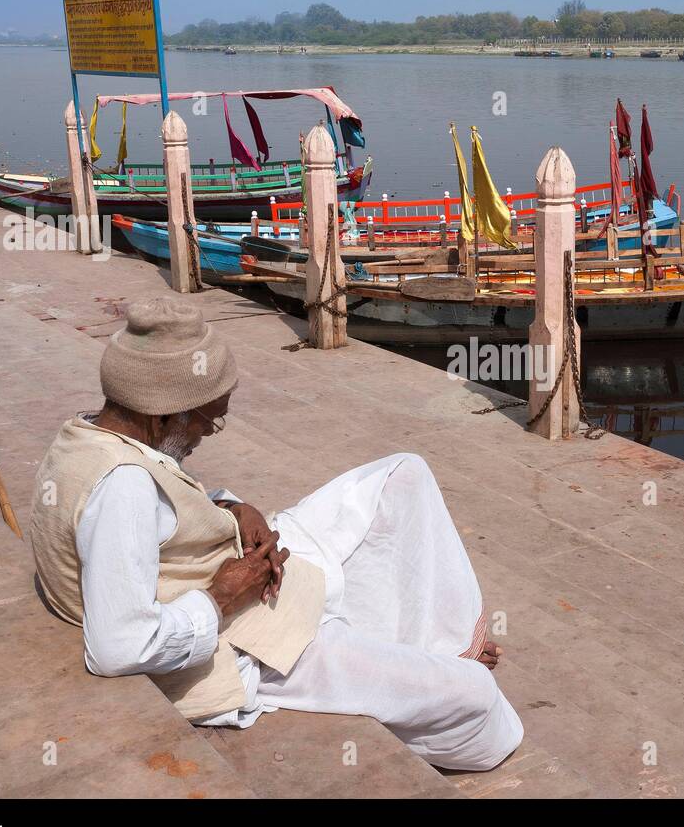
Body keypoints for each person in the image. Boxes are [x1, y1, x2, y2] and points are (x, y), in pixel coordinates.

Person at [29, 298, 524, 771]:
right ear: (164, 414)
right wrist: (222, 596)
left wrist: (229, 505)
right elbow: (119, 647)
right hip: (247, 642)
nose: (208, 433)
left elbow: (158, 507)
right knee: (475, 699)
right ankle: (443, 664)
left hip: (229, 563)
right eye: (210, 418)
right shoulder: (123, 491)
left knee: (402, 476)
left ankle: (446, 643)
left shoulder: (95, 435)